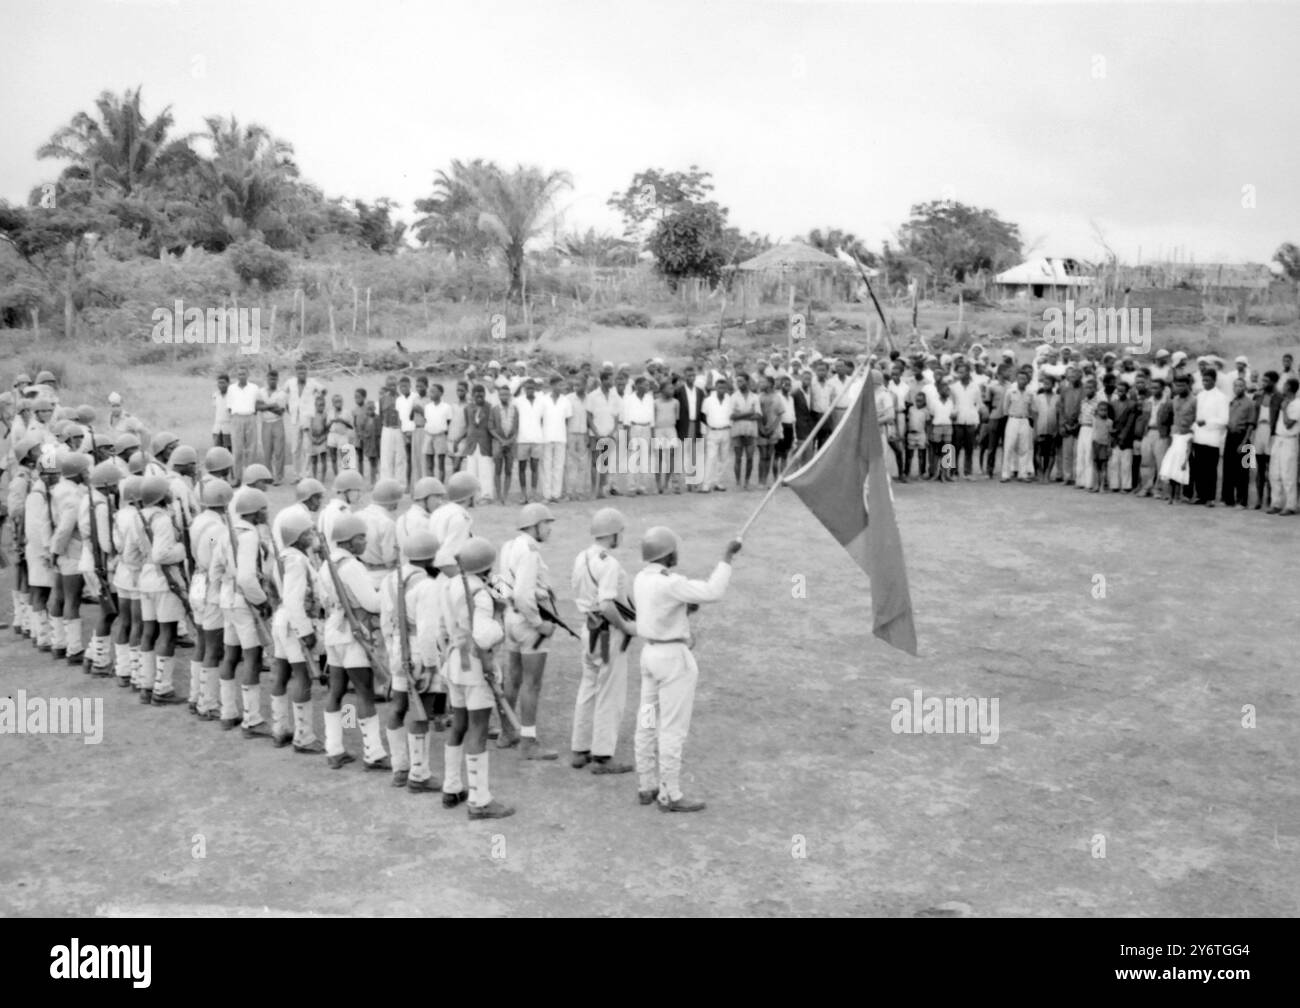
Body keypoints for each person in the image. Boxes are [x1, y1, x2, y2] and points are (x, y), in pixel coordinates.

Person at [632, 526, 741, 812]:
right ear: (668, 554)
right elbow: (713, 591)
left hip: (649, 655)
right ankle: (670, 793)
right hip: (672, 660)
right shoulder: (670, 582)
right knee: (672, 728)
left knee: (646, 720)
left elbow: (662, 608)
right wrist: (726, 558)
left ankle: (647, 784)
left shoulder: (641, 579)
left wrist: (683, 609)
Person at [317, 512, 389, 771]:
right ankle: (373, 752)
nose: (364, 542)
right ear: (347, 542)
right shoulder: (352, 566)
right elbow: (371, 603)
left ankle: (334, 747)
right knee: (363, 692)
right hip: (353, 634)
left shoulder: (326, 565)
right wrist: (387, 597)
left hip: (334, 632)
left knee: (338, 691)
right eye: (361, 538)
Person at [570, 508, 637, 775]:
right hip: (608, 632)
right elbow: (607, 604)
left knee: (588, 689)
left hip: (589, 629)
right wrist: (627, 626)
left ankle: (580, 748)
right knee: (610, 693)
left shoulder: (581, 557)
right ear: (612, 534)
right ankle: (602, 755)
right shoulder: (608, 562)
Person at [380, 528, 444, 793]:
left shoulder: (389, 579)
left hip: (398, 647)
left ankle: (400, 768)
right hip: (419, 650)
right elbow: (429, 632)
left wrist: (391, 651)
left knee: (397, 707)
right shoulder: (427, 586)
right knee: (421, 712)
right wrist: (430, 665)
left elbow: (386, 622)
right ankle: (419, 774)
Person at [496, 503, 560, 758]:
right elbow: (524, 595)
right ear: (533, 526)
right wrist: (538, 623)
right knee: (532, 684)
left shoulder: (509, 546)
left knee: (513, 679)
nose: (549, 529)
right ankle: (528, 741)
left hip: (511, 617)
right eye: (546, 524)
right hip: (528, 622)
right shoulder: (531, 551)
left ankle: (506, 731)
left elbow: (501, 584)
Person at [269, 509, 324, 753]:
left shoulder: (282, 557)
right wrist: (306, 631)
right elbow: (294, 600)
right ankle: (303, 736)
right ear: (298, 537)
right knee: (302, 676)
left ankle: (280, 728)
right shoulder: (296, 561)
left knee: (281, 674)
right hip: (295, 622)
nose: (312, 535)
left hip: (283, 619)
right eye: (308, 532)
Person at [190, 478, 232, 720]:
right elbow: (215, 552)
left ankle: (196, 695)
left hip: (198, 580)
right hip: (210, 585)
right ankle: (207, 702)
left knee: (203, 643)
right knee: (213, 647)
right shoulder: (216, 529)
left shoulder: (200, 521)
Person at [1191, 369, 1229, 507]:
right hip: (1199, 436)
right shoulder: (1200, 396)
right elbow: (1195, 416)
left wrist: (1207, 422)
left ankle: (1210, 497)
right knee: (1199, 468)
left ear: (1214, 380)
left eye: (1207, 380)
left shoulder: (1221, 397)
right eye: (1203, 380)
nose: (1205, 383)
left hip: (1212, 437)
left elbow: (1224, 420)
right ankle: (1201, 495)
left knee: (1210, 469)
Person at [285, 362, 326, 480]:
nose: (301, 374)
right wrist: (288, 406)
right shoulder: (290, 382)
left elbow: (323, 390)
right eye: (299, 372)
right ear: (296, 372)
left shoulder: (312, 383)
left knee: (307, 447)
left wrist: (319, 397)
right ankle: (296, 474)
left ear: (306, 372)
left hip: (308, 417)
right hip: (295, 418)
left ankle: (306, 474)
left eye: (304, 372)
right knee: (295, 448)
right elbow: (283, 393)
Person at [1267, 377, 1299, 515]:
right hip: (1279, 439)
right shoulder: (1284, 402)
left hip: (1290, 441)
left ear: (1290, 388)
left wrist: (1285, 409)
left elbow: (1288, 423)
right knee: (1275, 472)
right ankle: (1276, 503)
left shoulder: (1297, 404)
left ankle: (1290, 505)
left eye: (1285, 385)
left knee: (1288, 473)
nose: (1283, 387)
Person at [1222, 378, 1256, 508]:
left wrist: (1244, 442)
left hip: (1244, 438)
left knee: (1243, 470)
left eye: (1241, 385)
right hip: (1230, 437)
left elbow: (1251, 425)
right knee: (1228, 467)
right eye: (1235, 385)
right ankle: (1228, 499)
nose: (1238, 388)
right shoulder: (1232, 402)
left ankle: (1242, 500)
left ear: (1245, 387)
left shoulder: (1250, 403)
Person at [514, 378, 547, 504]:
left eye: (532, 388)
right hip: (522, 439)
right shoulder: (519, 401)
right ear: (524, 389)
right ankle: (523, 495)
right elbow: (512, 396)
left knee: (534, 467)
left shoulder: (541, 401)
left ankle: (532, 495)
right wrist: (519, 384)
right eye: (527, 388)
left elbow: (543, 419)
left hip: (537, 438)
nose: (529, 390)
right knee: (521, 468)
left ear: (535, 388)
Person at [226, 365, 261, 483]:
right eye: (239, 374)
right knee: (237, 450)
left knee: (251, 449)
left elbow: (258, 405)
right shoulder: (231, 389)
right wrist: (236, 419)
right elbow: (229, 407)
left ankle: (251, 478)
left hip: (250, 418)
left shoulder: (254, 388)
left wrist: (250, 416)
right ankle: (237, 478)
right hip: (237, 419)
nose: (242, 376)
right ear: (237, 375)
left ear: (248, 375)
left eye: (244, 374)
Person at [540, 376, 571, 503]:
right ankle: (546, 495)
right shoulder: (543, 400)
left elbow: (567, 420)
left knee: (558, 466)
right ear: (552, 386)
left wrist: (566, 436)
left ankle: (556, 495)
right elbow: (540, 419)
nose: (561, 388)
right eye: (558, 385)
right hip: (546, 437)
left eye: (562, 385)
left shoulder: (565, 401)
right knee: (546, 466)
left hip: (560, 437)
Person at [700, 378, 733, 493]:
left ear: (726, 388)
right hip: (713, 431)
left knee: (723, 458)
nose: (722, 390)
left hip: (726, 430)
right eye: (719, 387)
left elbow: (732, 414)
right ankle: (706, 484)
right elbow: (703, 415)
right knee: (711, 457)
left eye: (724, 388)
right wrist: (709, 426)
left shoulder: (729, 400)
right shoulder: (708, 400)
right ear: (715, 387)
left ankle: (718, 482)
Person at [258, 369, 289, 483]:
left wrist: (265, 406)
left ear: (277, 379)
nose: (272, 381)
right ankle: (268, 475)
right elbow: (257, 407)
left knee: (279, 451)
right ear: (267, 379)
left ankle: (279, 477)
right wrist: (272, 405)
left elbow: (280, 411)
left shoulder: (282, 393)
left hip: (277, 422)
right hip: (265, 423)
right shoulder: (261, 391)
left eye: (274, 379)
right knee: (267, 451)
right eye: (270, 378)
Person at [564, 377, 591, 500]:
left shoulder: (589, 399)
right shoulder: (568, 398)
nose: (576, 387)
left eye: (578, 385)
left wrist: (588, 435)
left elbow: (590, 418)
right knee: (570, 463)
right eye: (574, 385)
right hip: (571, 433)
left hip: (583, 434)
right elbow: (565, 419)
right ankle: (570, 492)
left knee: (583, 463)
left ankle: (580, 492)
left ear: (585, 385)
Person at [211, 373, 232, 450]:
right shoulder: (215, 395)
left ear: (228, 383)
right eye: (219, 383)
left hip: (229, 428)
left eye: (223, 383)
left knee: (230, 449)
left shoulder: (232, 395)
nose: (221, 385)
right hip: (217, 427)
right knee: (217, 450)